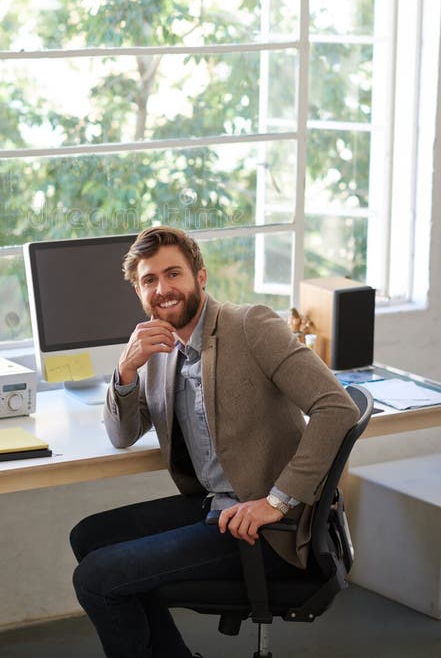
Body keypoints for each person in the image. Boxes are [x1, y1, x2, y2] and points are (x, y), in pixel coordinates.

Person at [70, 226, 359, 658]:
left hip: (267, 527)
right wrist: (126, 370)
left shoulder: (250, 325)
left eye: (174, 274)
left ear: (200, 276)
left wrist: (277, 501)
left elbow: (337, 407)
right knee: (88, 537)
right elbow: (122, 435)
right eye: (150, 280)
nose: (163, 289)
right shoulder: (159, 347)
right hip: (217, 505)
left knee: (96, 578)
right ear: (138, 290)